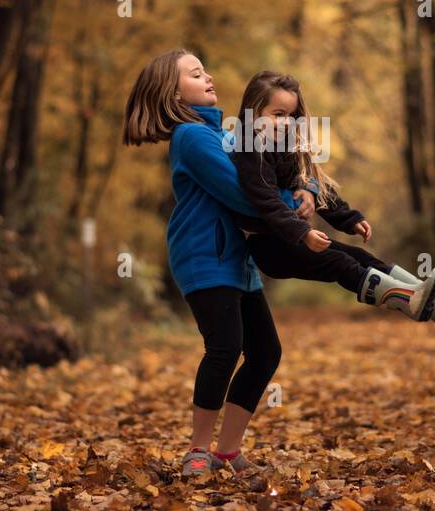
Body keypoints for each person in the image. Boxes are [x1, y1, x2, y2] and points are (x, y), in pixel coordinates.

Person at [122, 49, 314, 478]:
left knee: (265, 351)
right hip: (204, 254)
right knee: (225, 347)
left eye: (205, 70)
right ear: (172, 92)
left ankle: (227, 452)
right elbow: (241, 193)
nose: (208, 76)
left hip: (236, 256)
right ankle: (197, 450)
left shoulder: (223, 134)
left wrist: (306, 190)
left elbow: (270, 170)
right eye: (195, 74)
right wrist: (287, 205)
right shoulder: (191, 136)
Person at [230, 70, 435, 324]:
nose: (287, 123)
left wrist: (348, 217)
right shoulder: (250, 150)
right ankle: (410, 299)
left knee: (360, 257)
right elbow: (268, 201)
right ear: (254, 114)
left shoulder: (282, 146)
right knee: (340, 262)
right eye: (278, 115)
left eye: (292, 116)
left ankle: (434, 297)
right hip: (270, 246)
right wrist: (304, 233)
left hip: (287, 238)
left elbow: (311, 182)